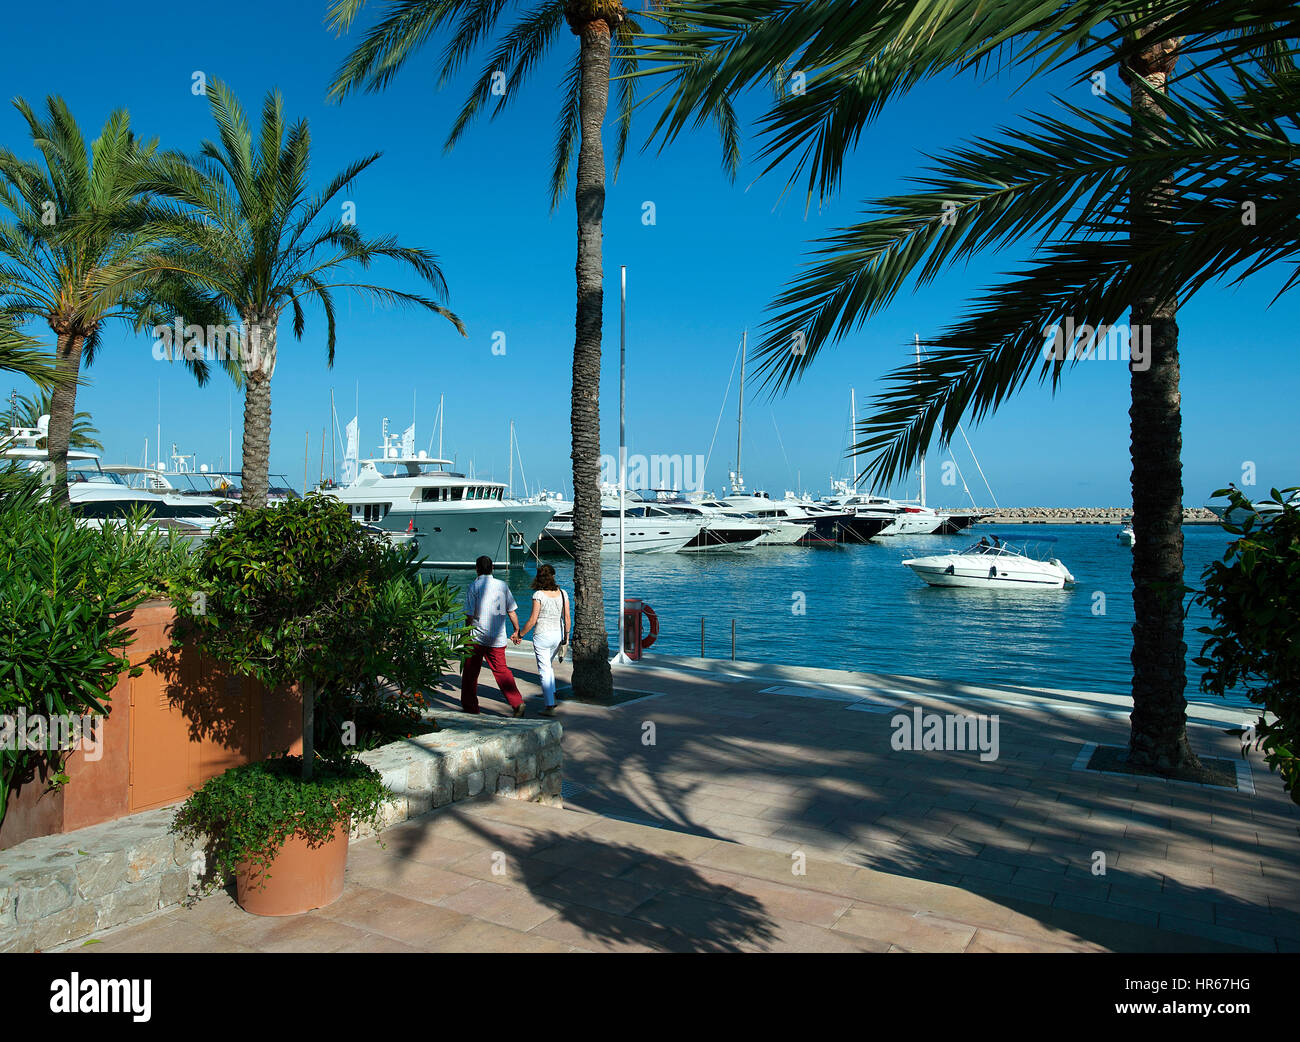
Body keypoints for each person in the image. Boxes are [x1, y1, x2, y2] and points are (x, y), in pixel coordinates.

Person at [461, 555, 525, 717]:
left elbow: (469, 614)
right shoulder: (502, 585)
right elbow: (512, 611)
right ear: (492, 569)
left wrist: (465, 633)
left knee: (471, 672)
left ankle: (471, 707)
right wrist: (517, 630)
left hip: (477, 636)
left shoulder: (473, 587)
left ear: (477, 569)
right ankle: (517, 702)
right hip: (497, 637)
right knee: (501, 670)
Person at [517, 564, 569, 717]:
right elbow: (566, 618)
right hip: (557, 635)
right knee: (548, 667)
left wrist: (520, 635)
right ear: (553, 576)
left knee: (544, 670)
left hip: (542, 635)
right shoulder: (562, 593)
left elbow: (533, 620)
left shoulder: (538, 595)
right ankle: (551, 697)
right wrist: (566, 636)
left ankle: (549, 705)